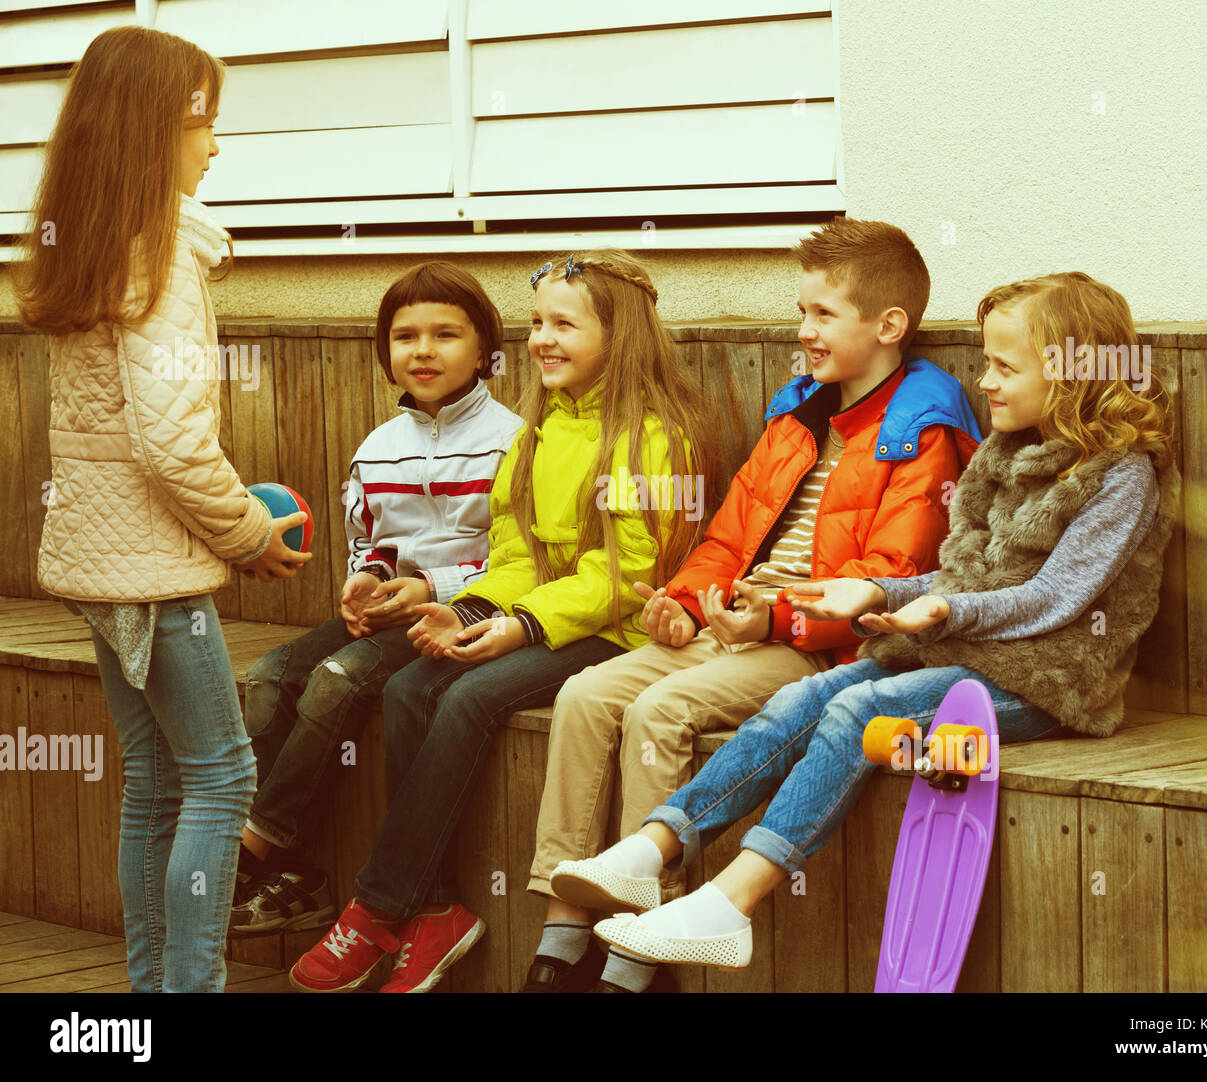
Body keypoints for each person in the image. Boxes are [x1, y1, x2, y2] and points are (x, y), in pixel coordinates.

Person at [570, 271, 1179, 972]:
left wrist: (946, 611)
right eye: (986, 363)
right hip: (962, 654)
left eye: (1005, 367)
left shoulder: (1120, 475)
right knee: (797, 698)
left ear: (1074, 373)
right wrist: (871, 592)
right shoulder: (1004, 454)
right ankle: (656, 845)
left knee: (863, 707)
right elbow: (956, 577)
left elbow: (1056, 599)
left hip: (1051, 681)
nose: (984, 381)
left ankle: (731, 902)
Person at [526, 219, 983, 993]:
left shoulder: (922, 432)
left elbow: (888, 578)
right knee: (583, 693)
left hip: (818, 646)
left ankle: (642, 950)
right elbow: (730, 534)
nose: (803, 331)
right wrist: (682, 604)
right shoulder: (798, 412)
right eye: (801, 311)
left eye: (822, 315)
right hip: (737, 621)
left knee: (659, 711)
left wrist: (772, 620)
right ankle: (562, 924)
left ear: (889, 325)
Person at [288, 250, 718, 992]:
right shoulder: (538, 432)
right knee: (409, 686)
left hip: (613, 631)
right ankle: (434, 908)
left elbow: (622, 577)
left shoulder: (653, 435)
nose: (542, 340)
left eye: (563, 325)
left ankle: (382, 904)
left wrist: (518, 626)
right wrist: (467, 609)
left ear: (620, 335)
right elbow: (517, 553)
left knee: (469, 696)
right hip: (539, 615)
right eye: (535, 323)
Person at [16, 26, 310, 992]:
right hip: (152, 571)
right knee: (223, 779)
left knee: (154, 785)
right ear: (152, 130)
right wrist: (251, 534)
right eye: (201, 124)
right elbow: (174, 444)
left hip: (101, 566)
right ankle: (190, 989)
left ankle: (151, 998)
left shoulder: (91, 247)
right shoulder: (162, 257)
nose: (213, 147)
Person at [228, 262, 524, 935]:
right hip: (395, 611)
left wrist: (433, 588)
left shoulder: (513, 441)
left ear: (484, 350)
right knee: (274, 672)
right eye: (404, 336)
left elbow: (521, 556)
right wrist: (363, 584)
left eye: (445, 334)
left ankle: (255, 844)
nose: (422, 350)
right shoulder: (377, 449)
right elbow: (371, 543)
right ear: (385, 351)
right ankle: (297, 872)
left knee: (339, 677)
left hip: (471, 614)